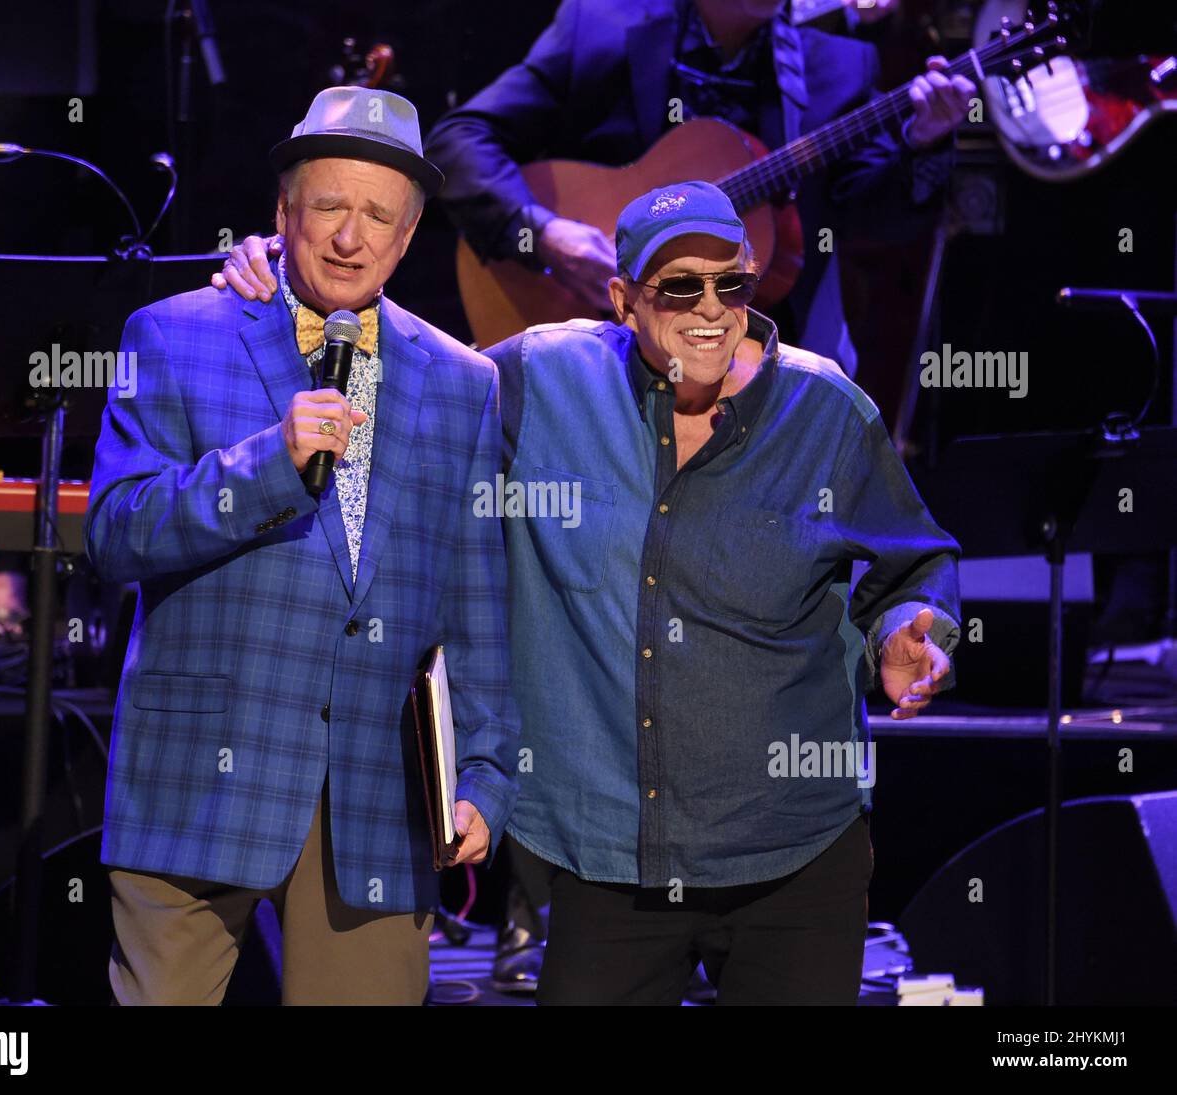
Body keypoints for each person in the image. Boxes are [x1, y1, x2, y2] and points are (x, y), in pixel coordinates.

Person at [217, 179, 960, 1004]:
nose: (711, 308)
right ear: (623, 299)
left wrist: (910, 630)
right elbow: (400, 377)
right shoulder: (539, 378)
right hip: (606, 854)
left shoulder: (825, 409)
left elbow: (918, 560)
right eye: (679, 286)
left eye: (733, 284)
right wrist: (284, 286)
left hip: (791, 851)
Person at [84, 86, 518, 1005]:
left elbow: (479, 602)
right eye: (329, 207)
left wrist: (483, 770)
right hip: (199, 769)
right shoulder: (173, 333)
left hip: (380, 792)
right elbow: (115, 531)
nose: (350, 237)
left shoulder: (464, 379)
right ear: (282, 213)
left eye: (378, 217)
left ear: (407, 239)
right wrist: (267, 464)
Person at [422, 0, 975, 376]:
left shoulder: (837, 67)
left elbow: (870, 219)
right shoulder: (602, 25)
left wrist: (923, 141)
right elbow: (458, 139)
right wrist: (543, 234)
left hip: (757, 365)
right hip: (595, 357)